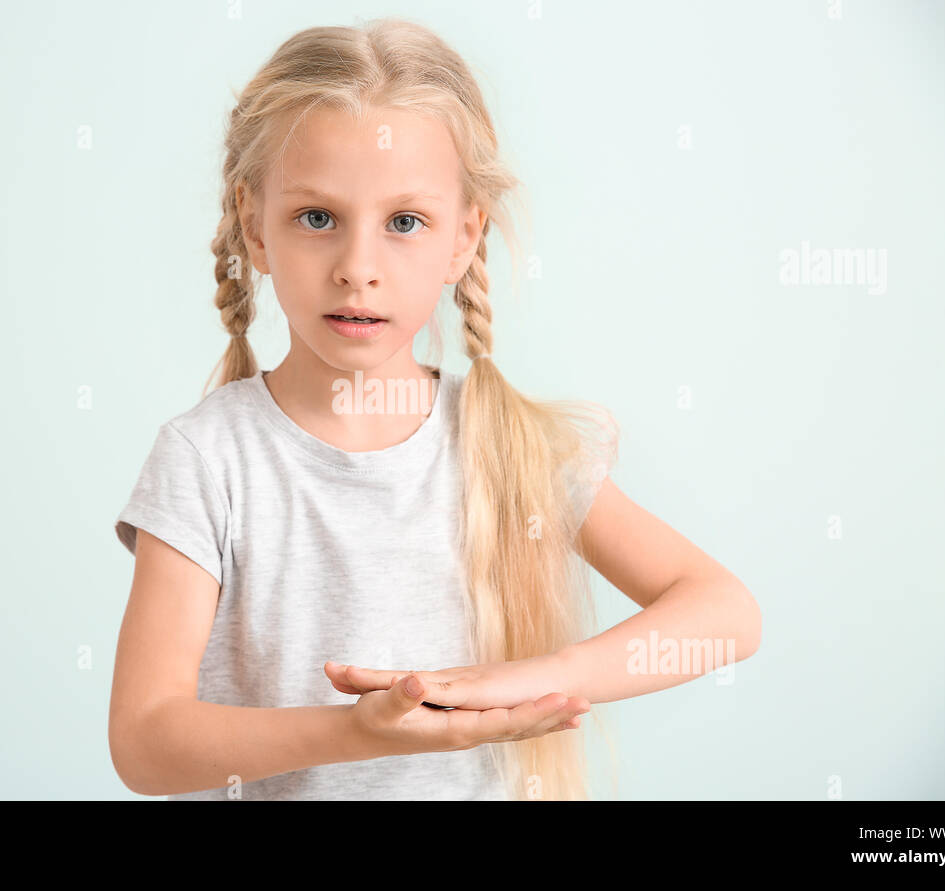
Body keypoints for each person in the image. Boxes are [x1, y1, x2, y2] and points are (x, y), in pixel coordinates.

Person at [108, 18, 761, 801]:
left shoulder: (507, 447)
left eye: (404, 223)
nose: (358, 269)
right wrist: (351, 733)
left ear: (463, 237)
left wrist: (529, 679)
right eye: (317, 218)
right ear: (254, 225)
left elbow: (725, 612)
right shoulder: (207, 459)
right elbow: (145, 742)